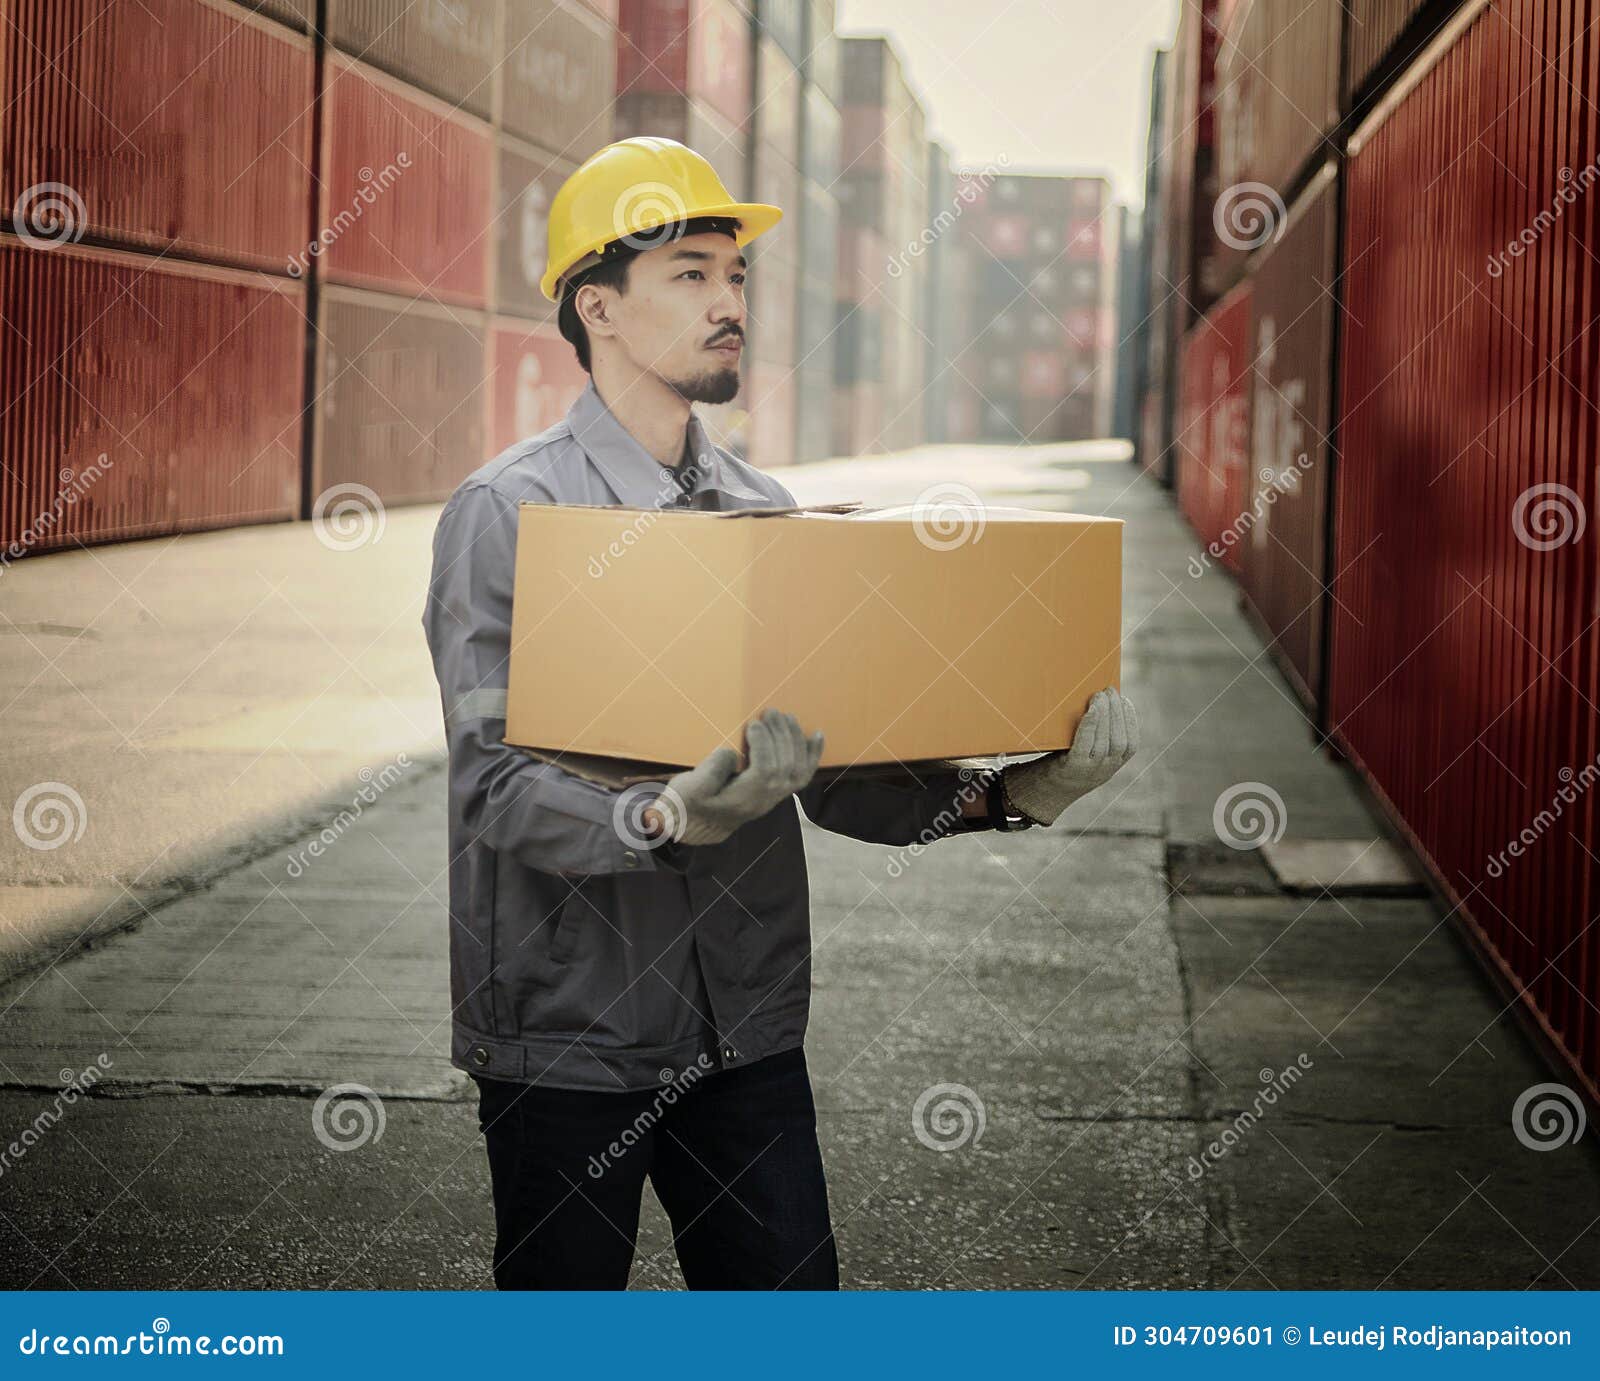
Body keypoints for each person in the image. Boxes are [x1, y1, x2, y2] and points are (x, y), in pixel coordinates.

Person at [421, 136, 1140, 1291]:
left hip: (740, 1030)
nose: (730, 302)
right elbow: (492, 790)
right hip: (569, 1033)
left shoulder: (766, 514)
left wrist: (1015, 792)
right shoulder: (511, 509)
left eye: (737, 275)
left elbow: (841, 772)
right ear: (595, 308)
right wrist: (668, 818)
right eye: (691, 273)